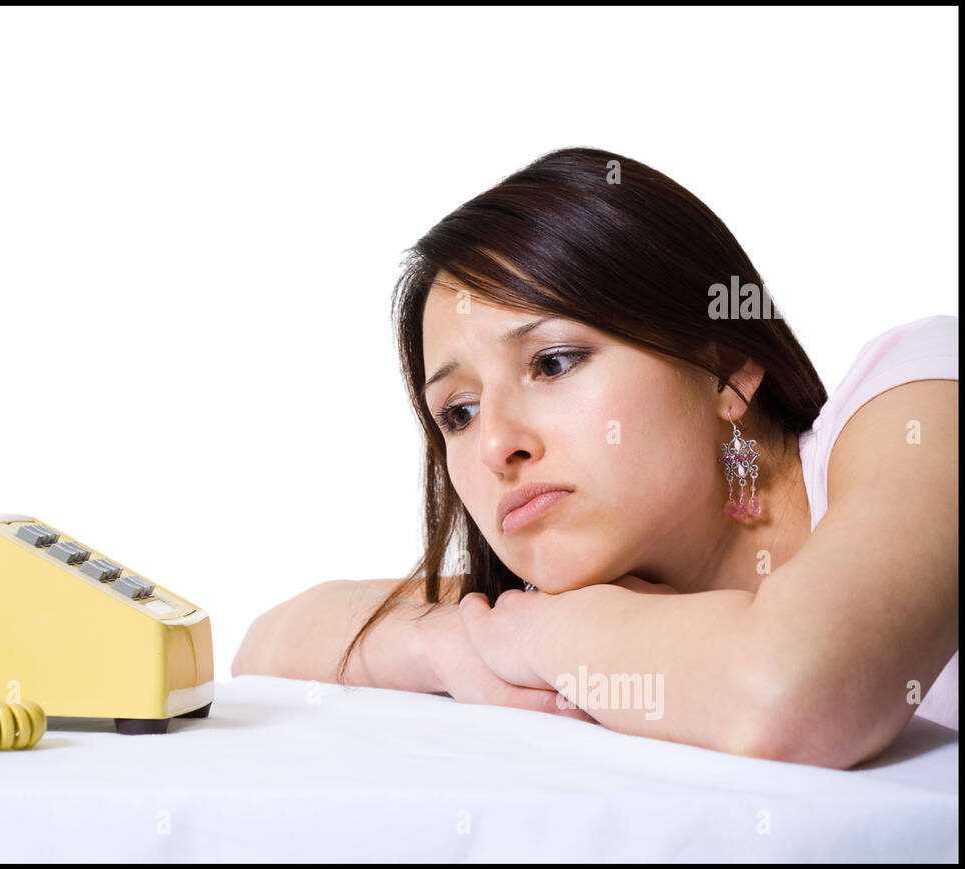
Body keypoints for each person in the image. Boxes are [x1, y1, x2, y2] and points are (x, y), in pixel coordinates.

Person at [232, 147, 958, 770]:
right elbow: (265, 646)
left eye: (552, 363)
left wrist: (525, 630)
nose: (494, 446)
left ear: (729, 368)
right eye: (458, 411)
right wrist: (446, 645)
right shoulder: (605, 588)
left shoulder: (924, 390)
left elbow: (792, 691)